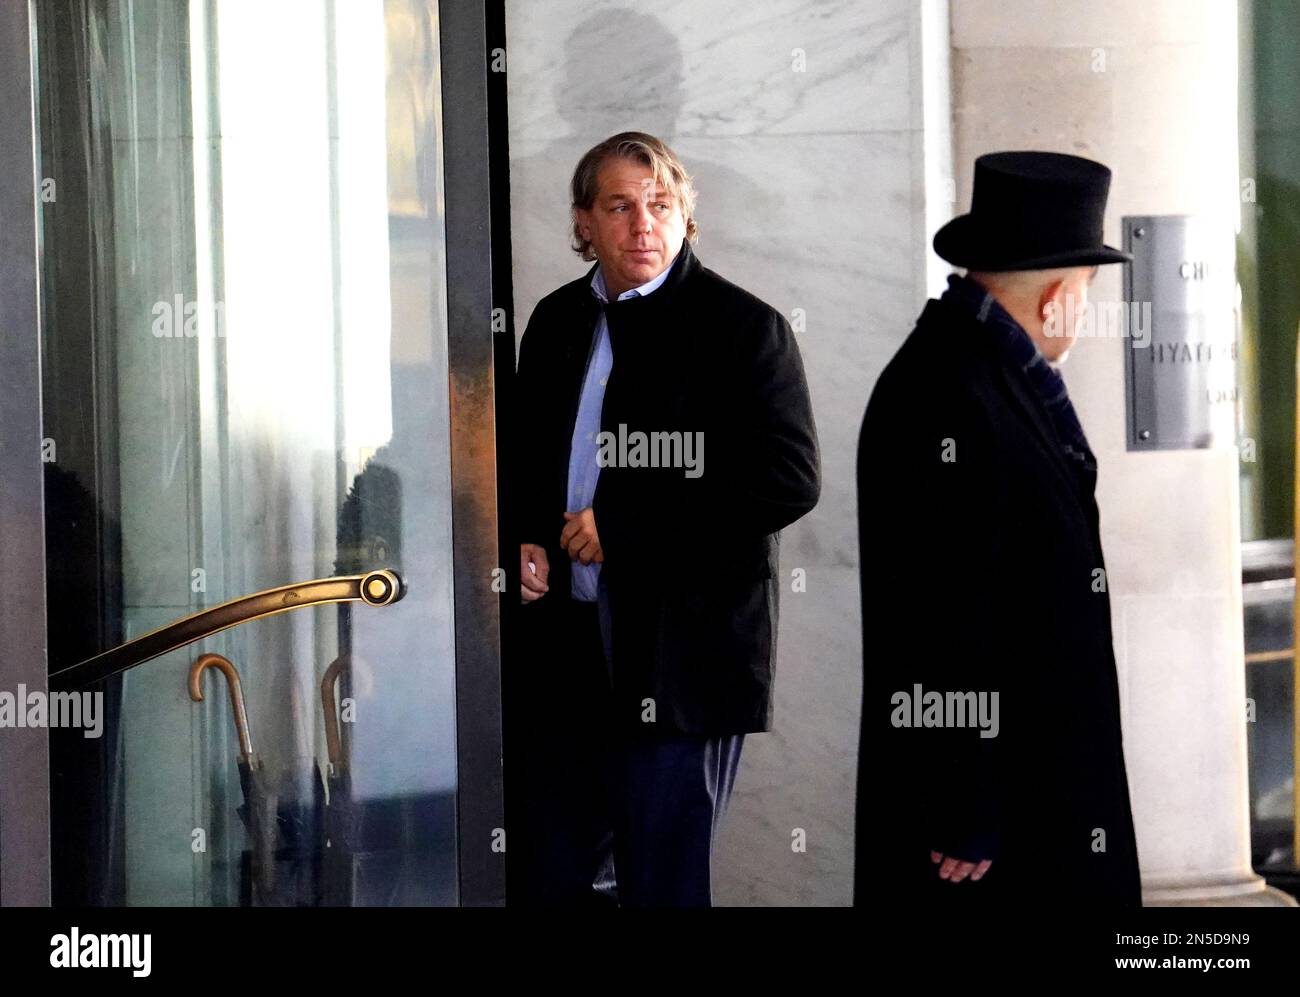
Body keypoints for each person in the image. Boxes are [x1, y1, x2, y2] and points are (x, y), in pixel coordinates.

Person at [510, 131, 820, 906]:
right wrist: (524, 534)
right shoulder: (553, 322)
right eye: (620, 205)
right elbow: (520, 458)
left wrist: (629, 529)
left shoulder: (744, 329)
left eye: (661, 204)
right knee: (551, 878)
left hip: (682, 660)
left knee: (660, 888)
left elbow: (787, 480)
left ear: (686, 216)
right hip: (566, 653)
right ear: (585, 222)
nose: (643, 223)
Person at [855, 151, 1142, 906]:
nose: (1083, 307)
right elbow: (941, 611)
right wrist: (965, 804)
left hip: (1029, 787)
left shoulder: (988, 375)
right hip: (993, 817)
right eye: (1084, 289)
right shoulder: (947, 390)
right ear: (1056, 296)